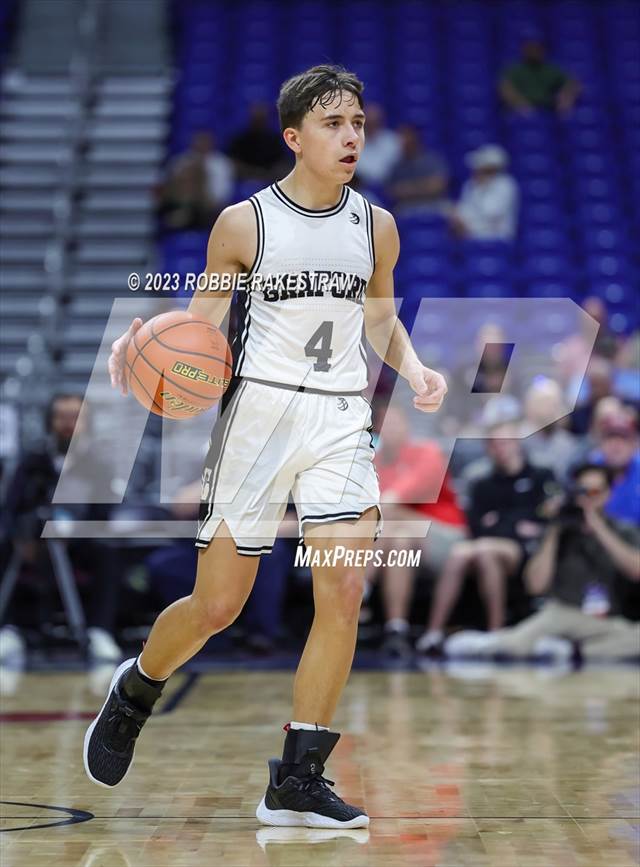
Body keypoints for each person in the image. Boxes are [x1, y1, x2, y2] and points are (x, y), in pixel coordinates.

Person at [84, 65, 447, 830]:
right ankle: (138, 686)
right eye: (332, 123)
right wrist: (146, 341)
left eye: (356, 122)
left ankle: (299, 776)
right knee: (218, 605)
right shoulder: (244, 223)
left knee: (343, 588)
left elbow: (379, 318)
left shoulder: (376, 226)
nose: (350, 136)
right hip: (257, 417)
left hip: (341, 421)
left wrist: (413, 369)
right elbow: (203, 320)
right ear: (293, 137)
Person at [466, 463, 639, 660]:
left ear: (608, 494)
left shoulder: (623, 530)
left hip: (605, 620)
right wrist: (554, 529)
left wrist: (598, 527)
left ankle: (571, 652)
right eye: (582, 491)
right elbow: (535, 586)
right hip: (561, 612)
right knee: (510, 647)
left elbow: (636, 571)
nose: (587, 498)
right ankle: (571, 651)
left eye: (594, 492)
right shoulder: (560, 529)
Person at [2, 394, 123, 662]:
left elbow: (104, 514)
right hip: (33, 542)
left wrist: (74, 532)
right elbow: (11, 508)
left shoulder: (98, 464)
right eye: (61, 417)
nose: (68, 424)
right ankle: (9, 629)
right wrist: (22, 538)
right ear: (50, 421)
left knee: (107, 551)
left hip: (79, 543)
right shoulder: (33, 461)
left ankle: (99, 631)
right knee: (4, 545)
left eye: (75, 417)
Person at [416, 421, 555, 652]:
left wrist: (500, 522)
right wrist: (512, 524)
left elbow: (542, 521)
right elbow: (476, 526)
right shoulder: (482, 483)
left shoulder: (540, 476)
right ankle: (433, 632)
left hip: (527, 551)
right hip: (485, 545)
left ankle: (496, 632)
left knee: (483, 550)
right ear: (488, 448)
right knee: (460, 553)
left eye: (506, 442)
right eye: (494, 444)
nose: (501, 448)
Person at [369, 405, 467, 656]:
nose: (391, 429)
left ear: (407, 427)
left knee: (390, 516)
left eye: (396, 423)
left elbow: (392, 500)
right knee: (400, 540)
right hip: (402, 538)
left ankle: (361, 584)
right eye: (385, 424)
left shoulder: (428, 453)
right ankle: (396, 628)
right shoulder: (375, 462)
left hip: (446, 537)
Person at [157, 131, 234, 230]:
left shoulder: (221, 164)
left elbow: (222, 199)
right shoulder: (181, 162)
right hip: (179, 208)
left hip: (208, 211)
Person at [449, 145, 519, 241]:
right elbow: (464, 209)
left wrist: (482, 189)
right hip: (471, 237)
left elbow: (492, 213)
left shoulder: (506, 184)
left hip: (498, 239)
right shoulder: (470, 184)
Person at [499, 34, 581, 115]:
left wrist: (565, 99)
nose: (533, 51)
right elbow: (505, 88)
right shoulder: (515, 70)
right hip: (521, 112)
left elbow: (573, 84)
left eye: (536, 48)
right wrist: (520, 104)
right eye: (530, 48)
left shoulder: (552, 69)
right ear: (524, 49)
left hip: (548, 110)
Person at [385, 124, 449, 213]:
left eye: (407, 137)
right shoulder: (397, 165)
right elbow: (392, 191)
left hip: (435, 203)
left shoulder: (431, 159)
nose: (403, 141)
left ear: (415, 139)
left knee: (453, 214)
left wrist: (408, 189)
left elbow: (438, 186)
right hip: (406, 206)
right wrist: (425, 186)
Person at [591, 411, 640, 526]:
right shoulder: (590, 469)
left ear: (634, 444)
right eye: (610, 437)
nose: (616, 445)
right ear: (601, 443)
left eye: (623, 438)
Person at [227, 102, 288, 181]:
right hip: (245, 177)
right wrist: (253, 172)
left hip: (270, 177)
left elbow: (282, 161)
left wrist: (266, 174)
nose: (258, 122)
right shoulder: (240, 138)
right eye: (256, 119)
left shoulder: (274, 139)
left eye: (261, 119)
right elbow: (233, 161)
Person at [354, 103, 401, 187]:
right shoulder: (352, 142)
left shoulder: (392, 141)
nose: (372, 126)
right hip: (360, 188)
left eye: (375, 122)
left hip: (390, 187)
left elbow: (396, 168)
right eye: (368, 123)